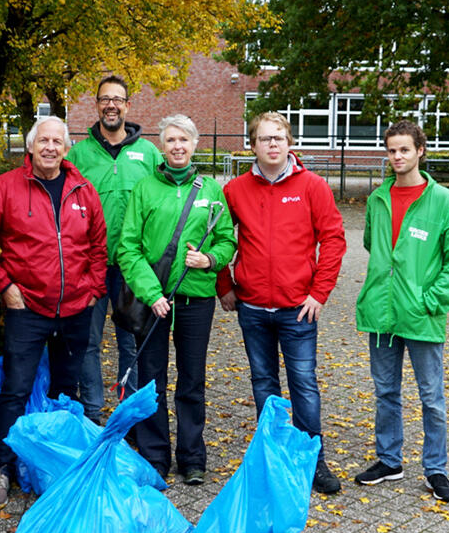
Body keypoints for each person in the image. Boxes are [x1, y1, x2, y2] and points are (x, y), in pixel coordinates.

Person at [0, 116, 107, 507]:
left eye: (57, 141)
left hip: (77, 309)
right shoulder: (7, 187)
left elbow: (98, 245)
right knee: (16, 388)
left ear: (66, 147)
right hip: (26, 307)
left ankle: (56, 466)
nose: (50, 147)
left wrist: (94, 289)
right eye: (43, 140)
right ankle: (0, 466)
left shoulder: (82, 189)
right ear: (31, 146)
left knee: (65, 391)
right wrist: (4, 286)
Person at [217, 111, 346, 495]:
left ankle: (312, 459)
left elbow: (335, 240)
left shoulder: (312, 187)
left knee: (303, 383)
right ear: (252, 145)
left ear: (289, 143)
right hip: (253, 307)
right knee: (264, 383)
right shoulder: (235, 190)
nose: (272, 144)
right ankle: (272, 456)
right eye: (264, 138)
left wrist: (319, 293)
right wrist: (226, 284)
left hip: (297, 309)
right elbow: (220, 239)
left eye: (279, 138)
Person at [355, 120, 449, 502]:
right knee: (385, 391)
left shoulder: (443, 200)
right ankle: (389, 460)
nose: (397, 157)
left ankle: (435, 468)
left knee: (431, 397)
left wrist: (430, 300)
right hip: (383, 313)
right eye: (391, 150)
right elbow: (376, 247)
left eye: (405, 149)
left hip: (421, 315)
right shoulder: (377, 198)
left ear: (420, 150)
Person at [117, 114, 236, 485]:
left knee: (192, 379)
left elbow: (227, 240)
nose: (177, 147)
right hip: (154, 301)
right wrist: (151, 294)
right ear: (162, 147)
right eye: (170, 141)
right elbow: (128, 248)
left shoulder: (212, 191)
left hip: (196, 299)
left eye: (184, 140)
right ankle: (155, 456)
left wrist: (210, 260)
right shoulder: (145, 188)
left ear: (195, 144)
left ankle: (192, 458)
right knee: (152, 378)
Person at [68, 75, 161, 423]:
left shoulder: (149, 153)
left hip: (133, 266)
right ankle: (93, 412)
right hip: (90, 264)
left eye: (117, 99)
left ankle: (127, 415)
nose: (111, 105)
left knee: (131, 340)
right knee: (88, 342)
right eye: (105, 99)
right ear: (97, 105)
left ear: (127, 105)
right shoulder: (79, 153)